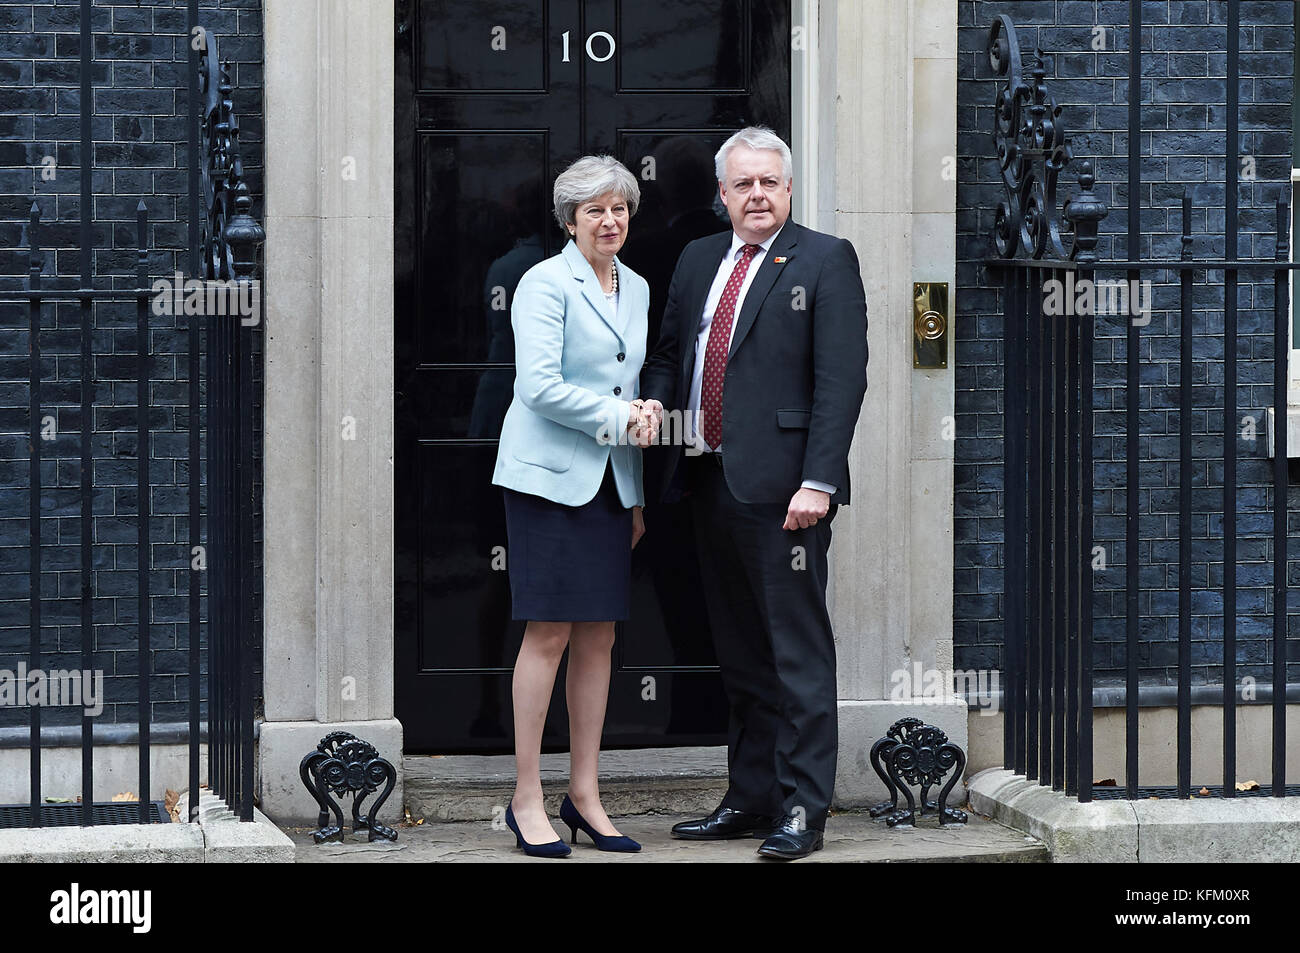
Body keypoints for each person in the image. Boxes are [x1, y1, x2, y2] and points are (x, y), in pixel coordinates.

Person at [639, 126, 869, 860]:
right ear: (722, 194)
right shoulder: (699, 257)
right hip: (706, 479)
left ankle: (804, 806)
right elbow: (673, 353)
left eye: (770, 181)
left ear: (790, 188)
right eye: (744, 184)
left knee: (795, 652)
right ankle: (750, 794)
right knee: (737, 651)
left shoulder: (826, 259)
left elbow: (842, 380)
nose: (758, 194)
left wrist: (819, 480)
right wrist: (651, 407)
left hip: (785, 493)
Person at [491, 155, 660, 858]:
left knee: (601, 638)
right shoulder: (543, 282)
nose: (610, 220)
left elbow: (632, 381)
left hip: (612, 486)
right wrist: (622, 417)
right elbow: (539, 386)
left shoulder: (639, 286)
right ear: (569, 220)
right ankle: (526, 795)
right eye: (594, 210)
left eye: (619, 207)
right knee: (549, 633)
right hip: (548, 481)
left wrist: (639, 493)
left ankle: (584, 794)